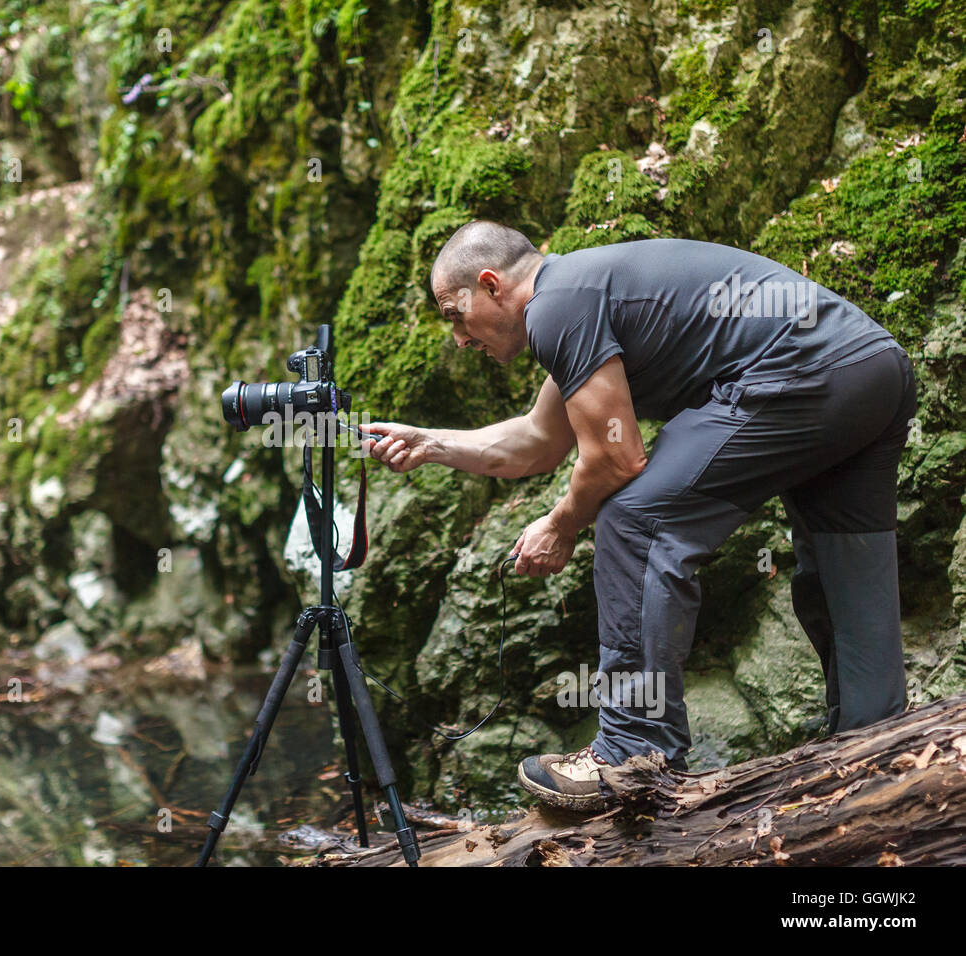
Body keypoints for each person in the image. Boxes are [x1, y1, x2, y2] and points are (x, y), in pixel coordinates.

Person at [361, 221, 917, 811]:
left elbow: (617, 459)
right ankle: (879, 753)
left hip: (806, 370)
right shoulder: (579, 297)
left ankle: (632, 749)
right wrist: (430, 443)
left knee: (635, 521)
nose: (458, 338)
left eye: (454, 314)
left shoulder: (560, 305)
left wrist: (561, 523)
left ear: (492, 285)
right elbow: (534, 443)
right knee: (841, 562)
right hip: (872, 370)